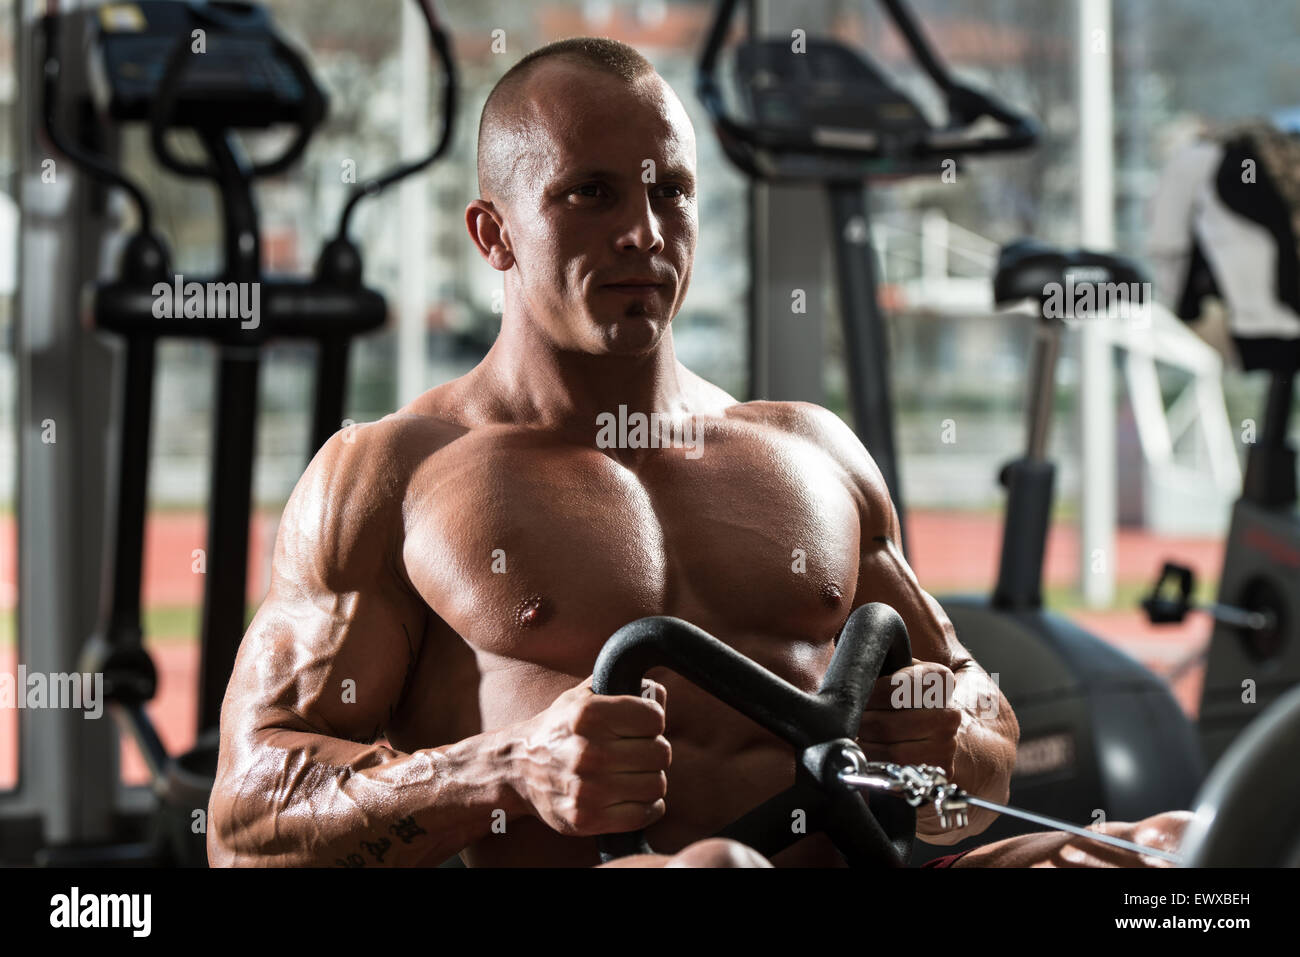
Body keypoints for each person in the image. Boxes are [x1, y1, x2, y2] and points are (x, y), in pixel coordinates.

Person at [207, 37, 1189, 868]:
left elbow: (975, 736)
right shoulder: (394, 475)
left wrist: (952, 738)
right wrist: (503, 770)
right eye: (588, 194)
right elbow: (247, 825)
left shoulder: (810, 450)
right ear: (493, 234)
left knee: (1181, 856)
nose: (642, 233)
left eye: (668, 194)